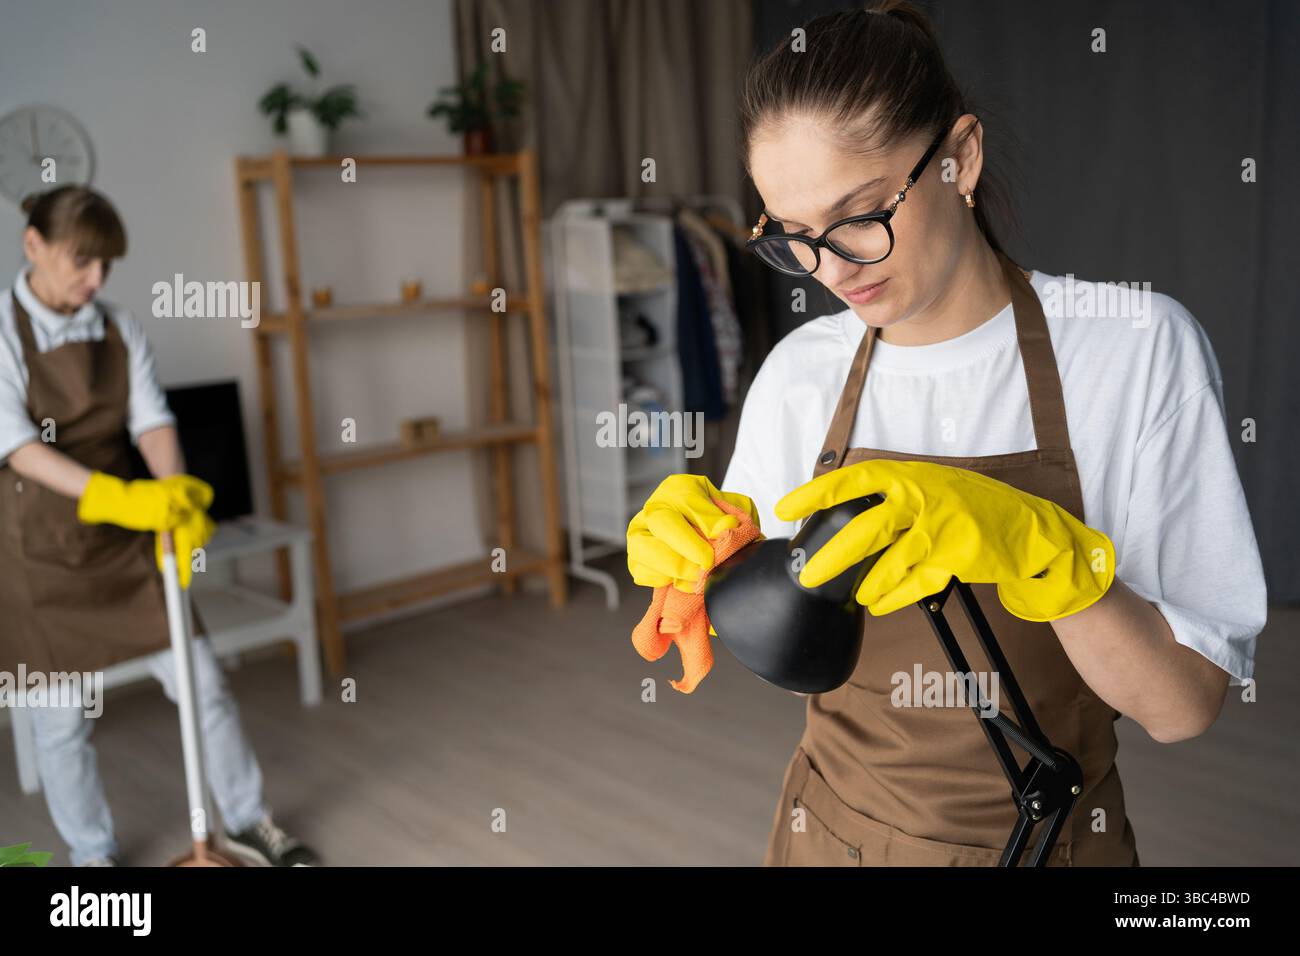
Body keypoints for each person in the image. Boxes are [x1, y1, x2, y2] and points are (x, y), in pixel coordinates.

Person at [626, 2, 1266, 866]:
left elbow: (1184, 708)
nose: (833, 268)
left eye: (860, 215)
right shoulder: (801, 370)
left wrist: (1048, 555)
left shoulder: (1136, 348)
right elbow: (792, 638)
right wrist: (713, 558)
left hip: (1043, 845)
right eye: (794, 236)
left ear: (958, 157)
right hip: (829, 837)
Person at [0, 185, 318, 867]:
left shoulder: (117, 326)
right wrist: (120, 497)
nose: (97, 279)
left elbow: (151, 421)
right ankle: (93, 861)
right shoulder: (1, 330)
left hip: (126, 544)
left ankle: (247, 822)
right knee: (61, 726)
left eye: (107, 265)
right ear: (34, 246)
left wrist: (170, 494)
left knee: (202, 682)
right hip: (40, 554)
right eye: (83, 262)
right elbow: (19, 445)